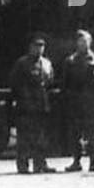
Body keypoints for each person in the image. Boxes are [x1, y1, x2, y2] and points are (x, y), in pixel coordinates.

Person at [60, 29, 94, 172]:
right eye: (80, 41)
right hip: (75, 103)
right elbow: (65, 84)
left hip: (91, 104)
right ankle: (76, 161)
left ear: (90, 42)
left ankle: (93, 163)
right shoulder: (70, 61)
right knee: (74, 134)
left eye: (85, 41)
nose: (83, 44)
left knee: (92, 135)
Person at [8, 33, 56, 174]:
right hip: (26, 106)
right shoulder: (22, 63)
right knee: (24, 137)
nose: (39, 49)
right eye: (36, 45)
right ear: (30, 47)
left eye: (42, 46)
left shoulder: (47, 64)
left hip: (42, 105)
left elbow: (50, 82)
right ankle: (23, 165)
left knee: (41, 137)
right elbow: (14, 83)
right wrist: (22, 98)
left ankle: (40, 163)